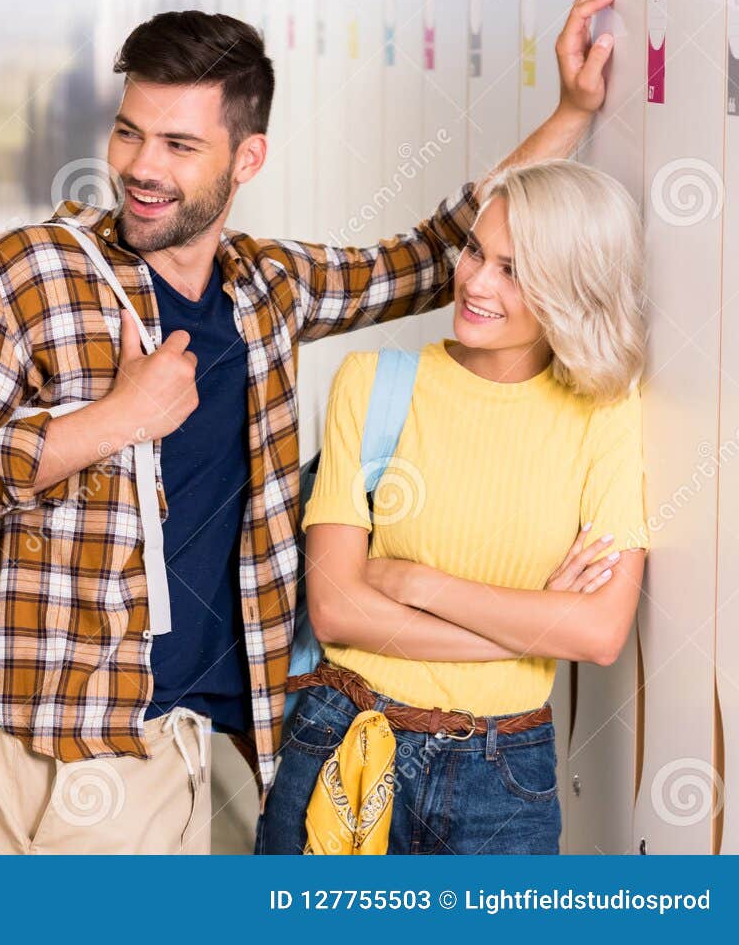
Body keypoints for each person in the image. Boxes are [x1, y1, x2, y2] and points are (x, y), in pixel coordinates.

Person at [0, 0, 619, 854]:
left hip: (171, 731)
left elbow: (431, 257)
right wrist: (117, 419)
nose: (142, 167)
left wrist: (571, 112)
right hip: (61, 731)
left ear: (247, 159)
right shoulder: (24, 273)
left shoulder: (266, 288)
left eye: (179, 145)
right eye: (129, 132)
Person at [257, 158, 647, 855]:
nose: (475, 281)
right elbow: (338, 609)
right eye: (474, 251)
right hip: (344, 738)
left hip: (503, 776)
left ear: (572, 286)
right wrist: (535, 623)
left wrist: (416, 583)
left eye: (514, 270)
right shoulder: (373, 384)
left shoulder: (606, 414)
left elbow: (597, 633)